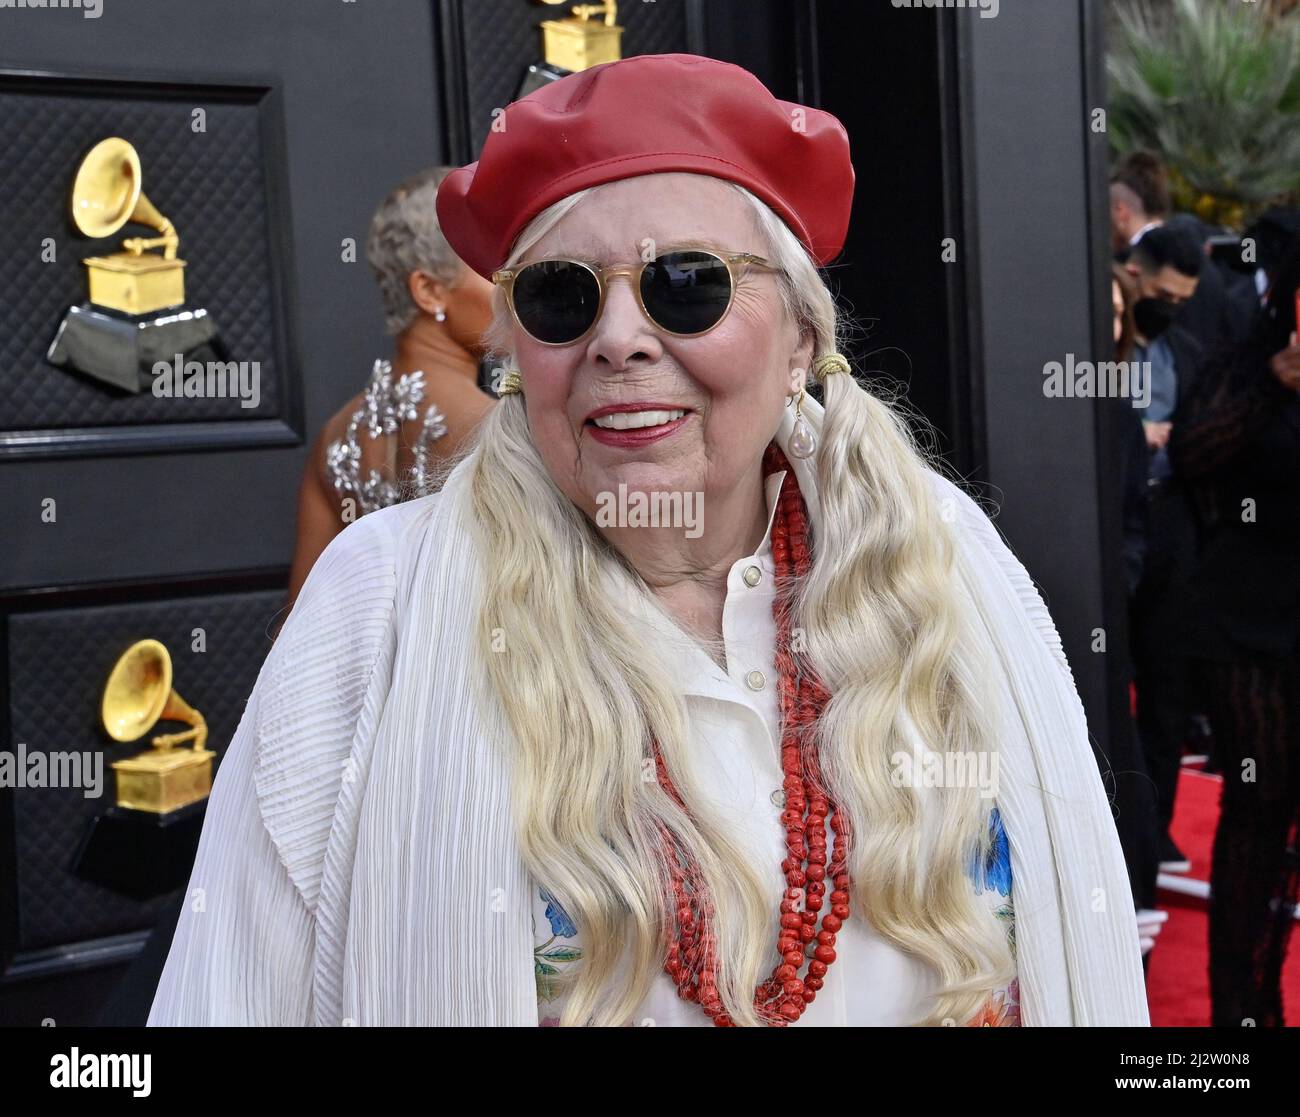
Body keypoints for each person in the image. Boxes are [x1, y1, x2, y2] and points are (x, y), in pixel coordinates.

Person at [146, 53, 1147, 1027]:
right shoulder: (377, 606)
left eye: (686, 283)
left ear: (800, 339)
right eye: (561, 295)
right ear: (519, 351)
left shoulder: (945, 563)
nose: (617, 337)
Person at [1168, 239, 1300, 1027]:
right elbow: (1191, 454)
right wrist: (1273, 383)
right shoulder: (1246, 363)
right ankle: (1244, 1009)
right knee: (1260, 806)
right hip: (1248, 622)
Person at [285, 167, 497, 608]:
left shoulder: (335, 437)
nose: (512, 287)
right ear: (429, 291)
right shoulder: (503, 430)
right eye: (491, 269)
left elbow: (297, 626)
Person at [1125, 226, 1209, 873]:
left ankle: (1157, 827)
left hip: (1173, 526)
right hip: (1116, 523)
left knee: (1167, 682)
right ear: (1136, 276)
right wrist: (1136, 433)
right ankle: (1121, 821)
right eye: (1163, 295)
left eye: (1183, 301)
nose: (1171, 308)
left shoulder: (1188, 351)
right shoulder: (1099, 342)